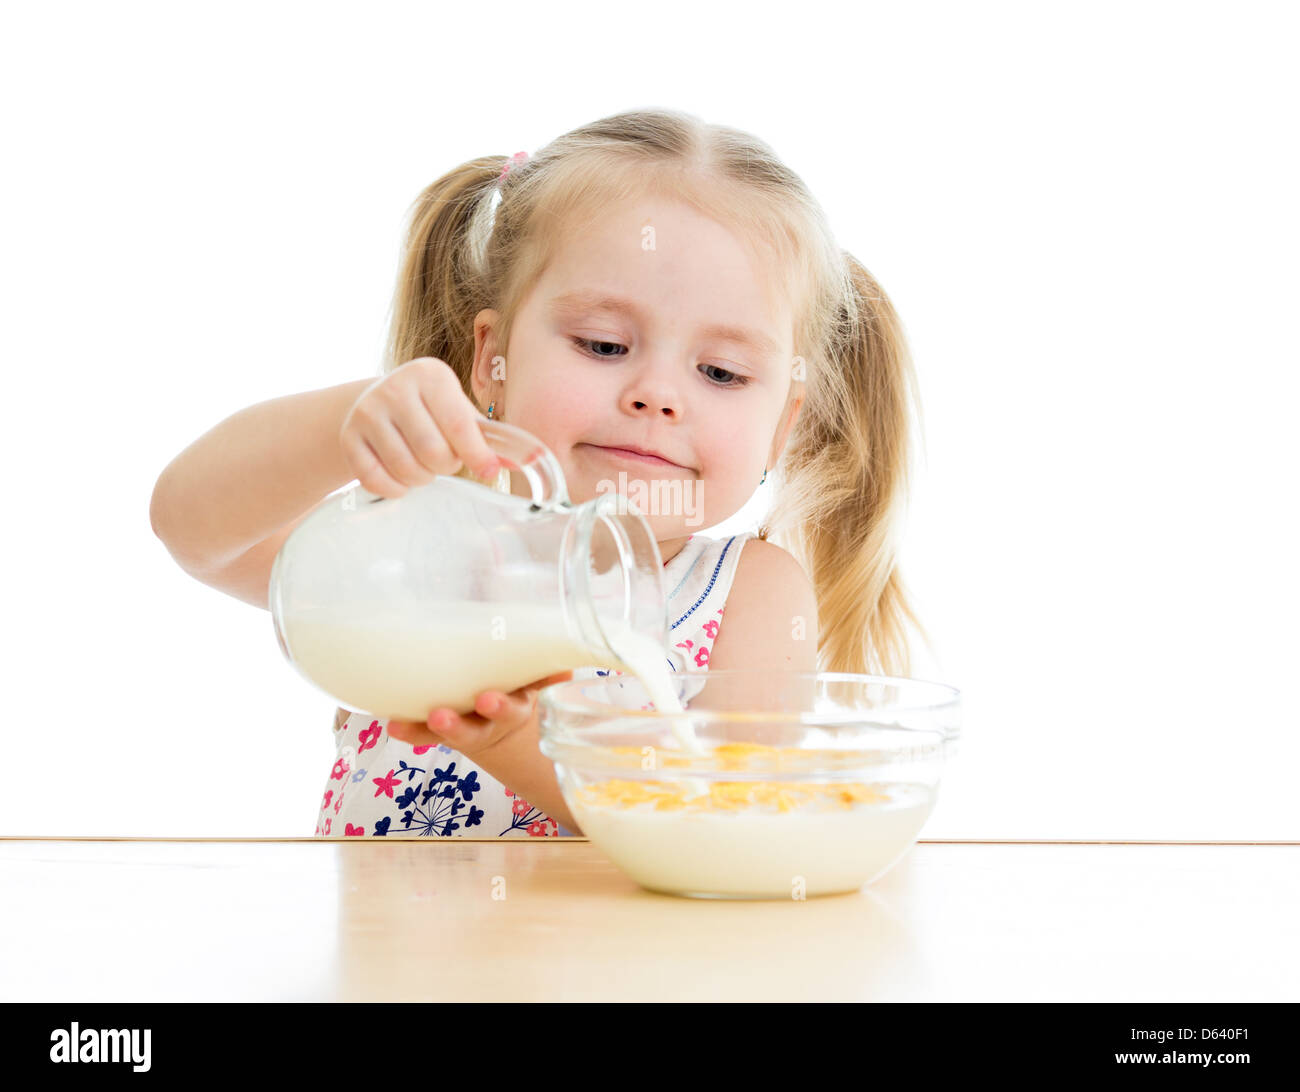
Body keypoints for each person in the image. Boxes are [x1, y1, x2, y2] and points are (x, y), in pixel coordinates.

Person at [149, 107, 931, 840]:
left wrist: (519, 741)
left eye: (721, 373)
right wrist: (341, 423)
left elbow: (720, 820)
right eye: (602, 345)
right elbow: (196, 534)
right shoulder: (423, 537)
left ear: (781, 426)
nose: (656, 395)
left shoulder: (750, 595)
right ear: (493, 359)